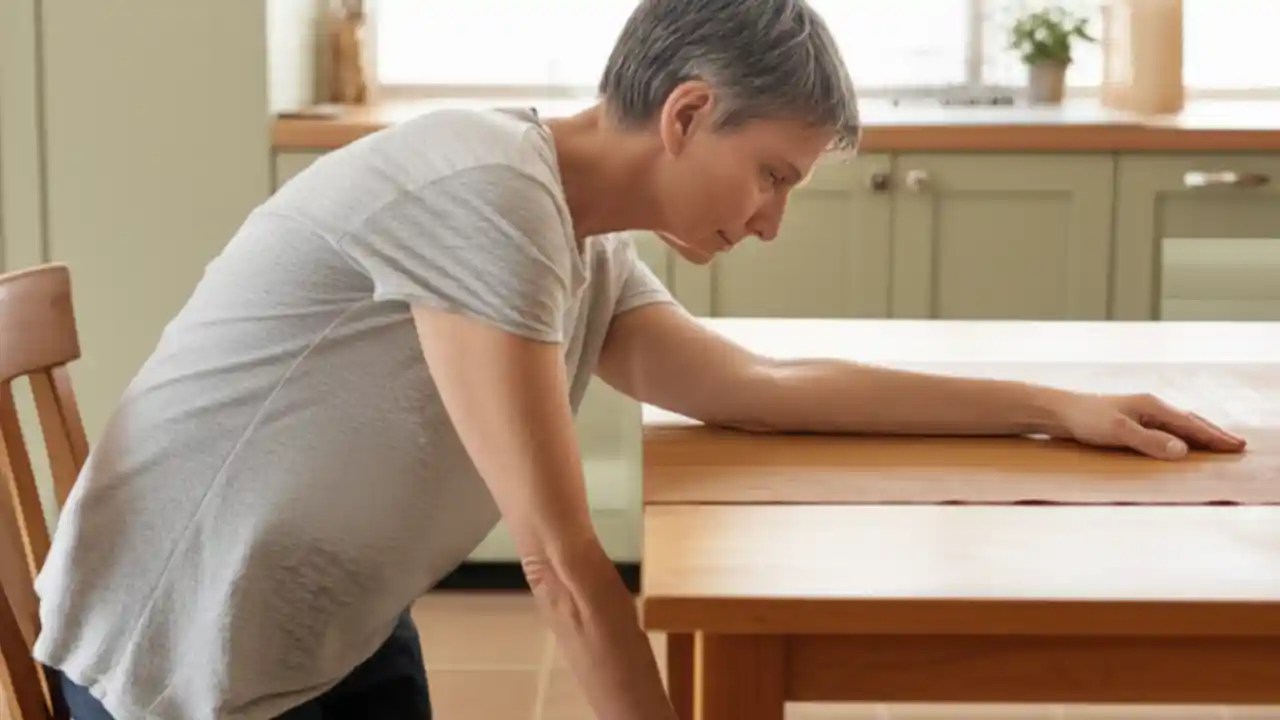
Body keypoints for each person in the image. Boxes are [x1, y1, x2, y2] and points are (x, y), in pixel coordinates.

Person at [33, 0, 1248, 718]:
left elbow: (753, 388)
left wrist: (1049, 409)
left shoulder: (573, 229)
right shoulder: (483, 193)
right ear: (684, 112)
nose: (769, 219)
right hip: (179, 660)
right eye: (769, 174)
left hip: (331, 629)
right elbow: (564, 568)